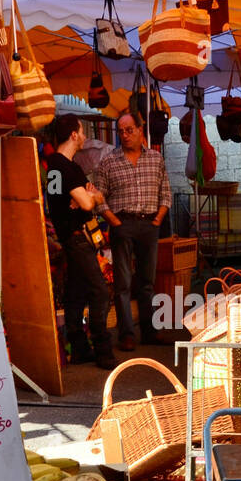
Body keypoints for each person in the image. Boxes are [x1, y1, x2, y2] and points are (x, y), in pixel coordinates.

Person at [92, 113, 172, 351]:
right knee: (123, 283)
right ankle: (127, 334)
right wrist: (114, 221)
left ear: (140, 129)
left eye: (129, 130)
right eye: (121, 131)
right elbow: (98, 197)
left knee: (147, 282)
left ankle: (149, 331)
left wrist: (158, 218)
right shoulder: (108, 162)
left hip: (149, 225)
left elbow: (166, 192)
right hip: (122, 225)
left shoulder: (156, 160)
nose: (125, 135)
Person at [44, 115, 116, 370]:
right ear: (74, 135)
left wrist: (86, 195)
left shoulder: (55, 166)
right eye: (83, 131)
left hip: (69, 238)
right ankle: (102, 349)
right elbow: (88, 200)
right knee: (99, 292)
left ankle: (80, 348)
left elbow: (73, 199)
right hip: (77, 238)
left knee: (76, 294)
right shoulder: (65, 166)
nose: (85, 136)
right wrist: (91, 197)